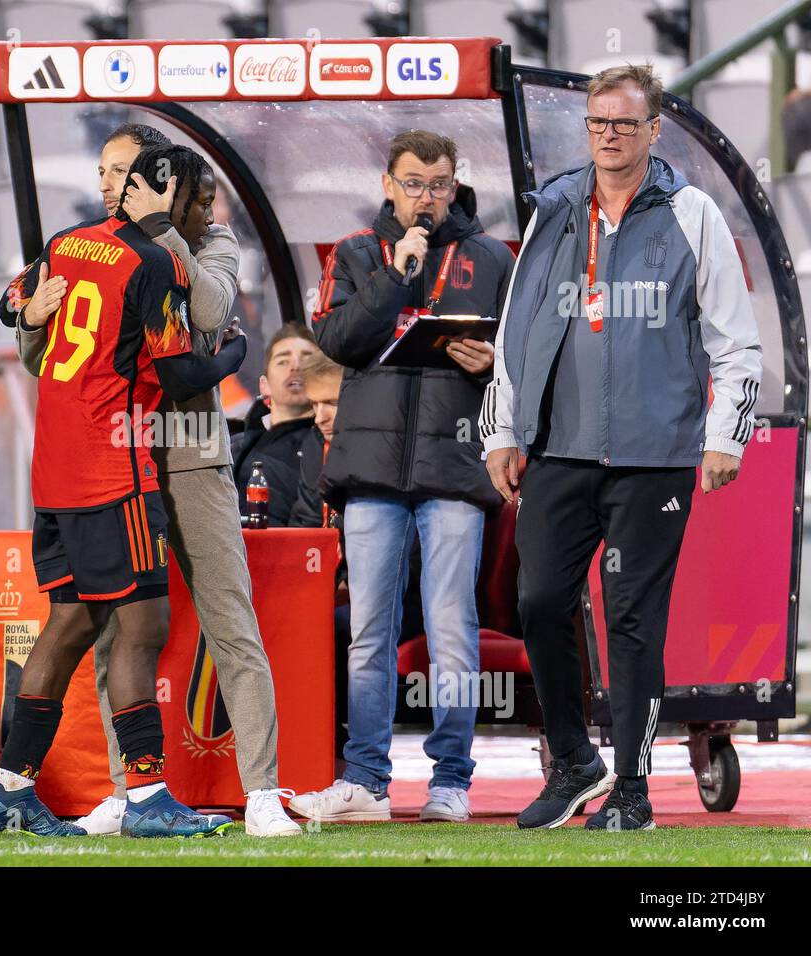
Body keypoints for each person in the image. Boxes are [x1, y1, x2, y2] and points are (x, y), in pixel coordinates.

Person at [480, 63, 763, 831]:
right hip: (561, 449)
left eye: (624, 123)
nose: (608, 134)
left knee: (633, 618)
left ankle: (632, 791)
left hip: (655, 454)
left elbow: (736, 339)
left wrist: (724, 434)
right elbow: (516, 329)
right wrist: (502, 429)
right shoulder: (556, 208)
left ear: (653, 130)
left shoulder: (692, 212)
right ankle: (574, 761)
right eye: (598, 122)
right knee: (537, 603)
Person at [9, 125, 301, 837]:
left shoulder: (212, 242)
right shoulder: (91, 247)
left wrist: (163, 232)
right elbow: (36, 356)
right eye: (108, 174)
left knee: (229, 620)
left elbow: (207, 308)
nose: (113, 186)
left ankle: (261, 790)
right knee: (115, 629)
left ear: (179, 191)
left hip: (190, 450)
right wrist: (25, 314)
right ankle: (129, 788)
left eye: (125, 174)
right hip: (118, 454)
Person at [291, 130, 514, 825]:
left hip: (453, 461)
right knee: (369, 631)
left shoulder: (489, 257)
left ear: (456, 184)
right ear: (389, 182)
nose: (428, 196)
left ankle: (451, 779)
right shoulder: (356, 253)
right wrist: (396, 274)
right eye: (415, 182)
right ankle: (365, 780)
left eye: (440, 183)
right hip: (371, 468)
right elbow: (336, 344)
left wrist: (493, 364)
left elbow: (524, 354)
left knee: (452, 626)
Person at [230, 323, 319, 527]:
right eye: (283, 361)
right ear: (264, 385)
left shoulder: (329, 446)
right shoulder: (234, 446)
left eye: (307, 359)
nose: (295, 366)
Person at [289, 350, 344, 530]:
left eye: (332, 403)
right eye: (315, 404)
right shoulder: (314, 442)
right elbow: (305, 519)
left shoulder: (381, 449)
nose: (319, 418)